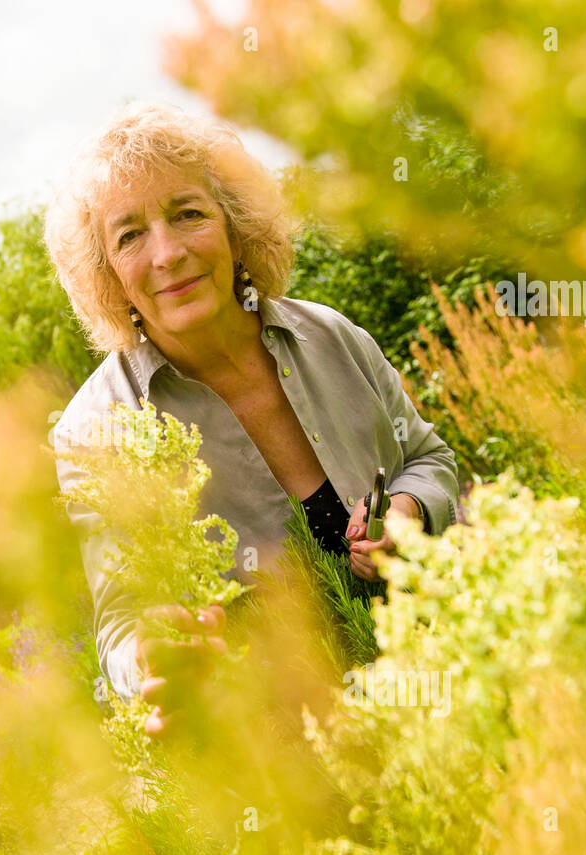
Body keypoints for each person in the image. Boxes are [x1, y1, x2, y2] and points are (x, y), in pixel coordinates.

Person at [45, 101, 459, 737]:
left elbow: (430, 461)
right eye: (129, 235)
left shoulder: (332, 338)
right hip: (282, 749)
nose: (168, 254)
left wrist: (406, 511)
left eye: (188, 214)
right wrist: (157, 665)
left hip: (434, 689)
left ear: (235, 229)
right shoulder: (98, 431)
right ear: (107, 275)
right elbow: (122, 623)